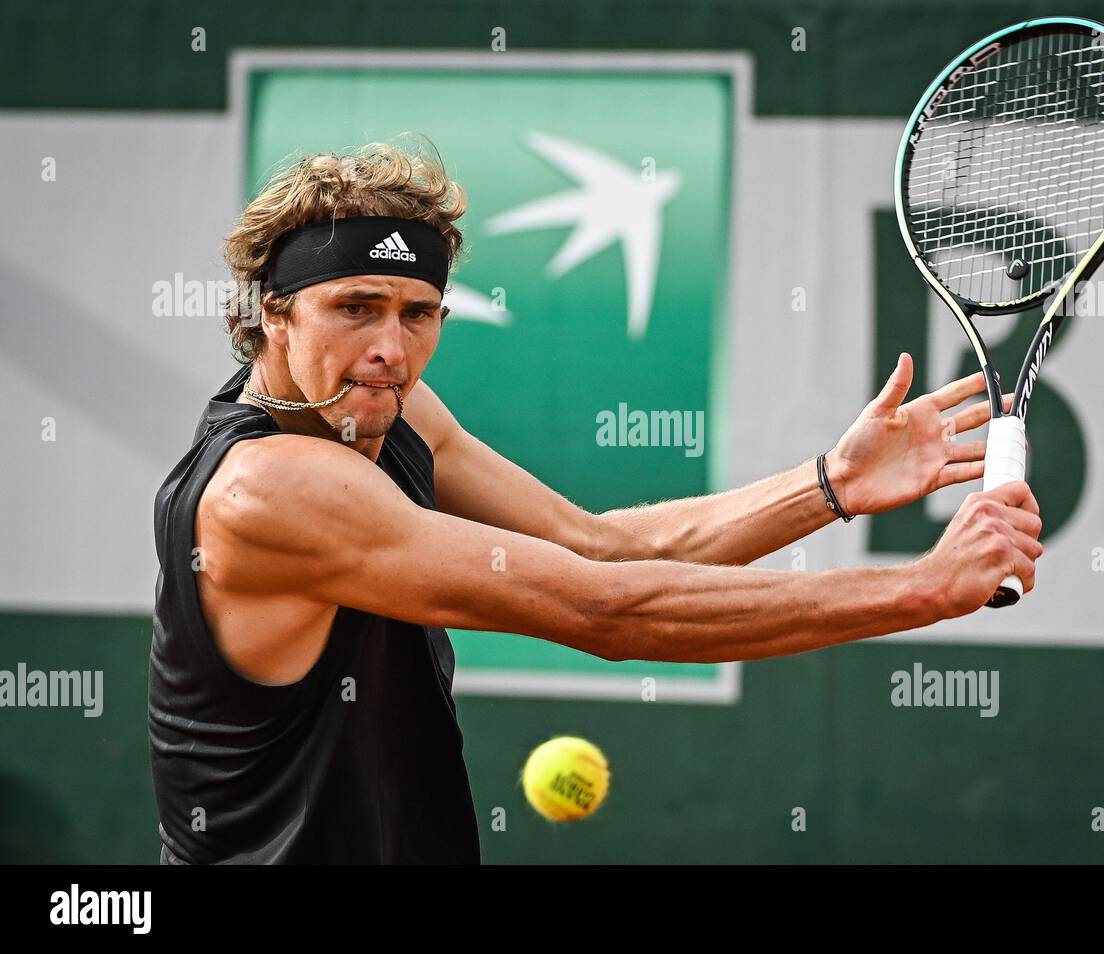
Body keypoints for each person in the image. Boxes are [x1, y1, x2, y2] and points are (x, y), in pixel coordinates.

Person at [149, 141, 1042, 865]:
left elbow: (599, 548)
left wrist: (827, 487)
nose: (390, 346)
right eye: (355, 307)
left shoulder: (392, 408)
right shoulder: (267, 488)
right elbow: (604, 610)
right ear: (274, 314)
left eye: (417, 313)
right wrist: (921, 589)